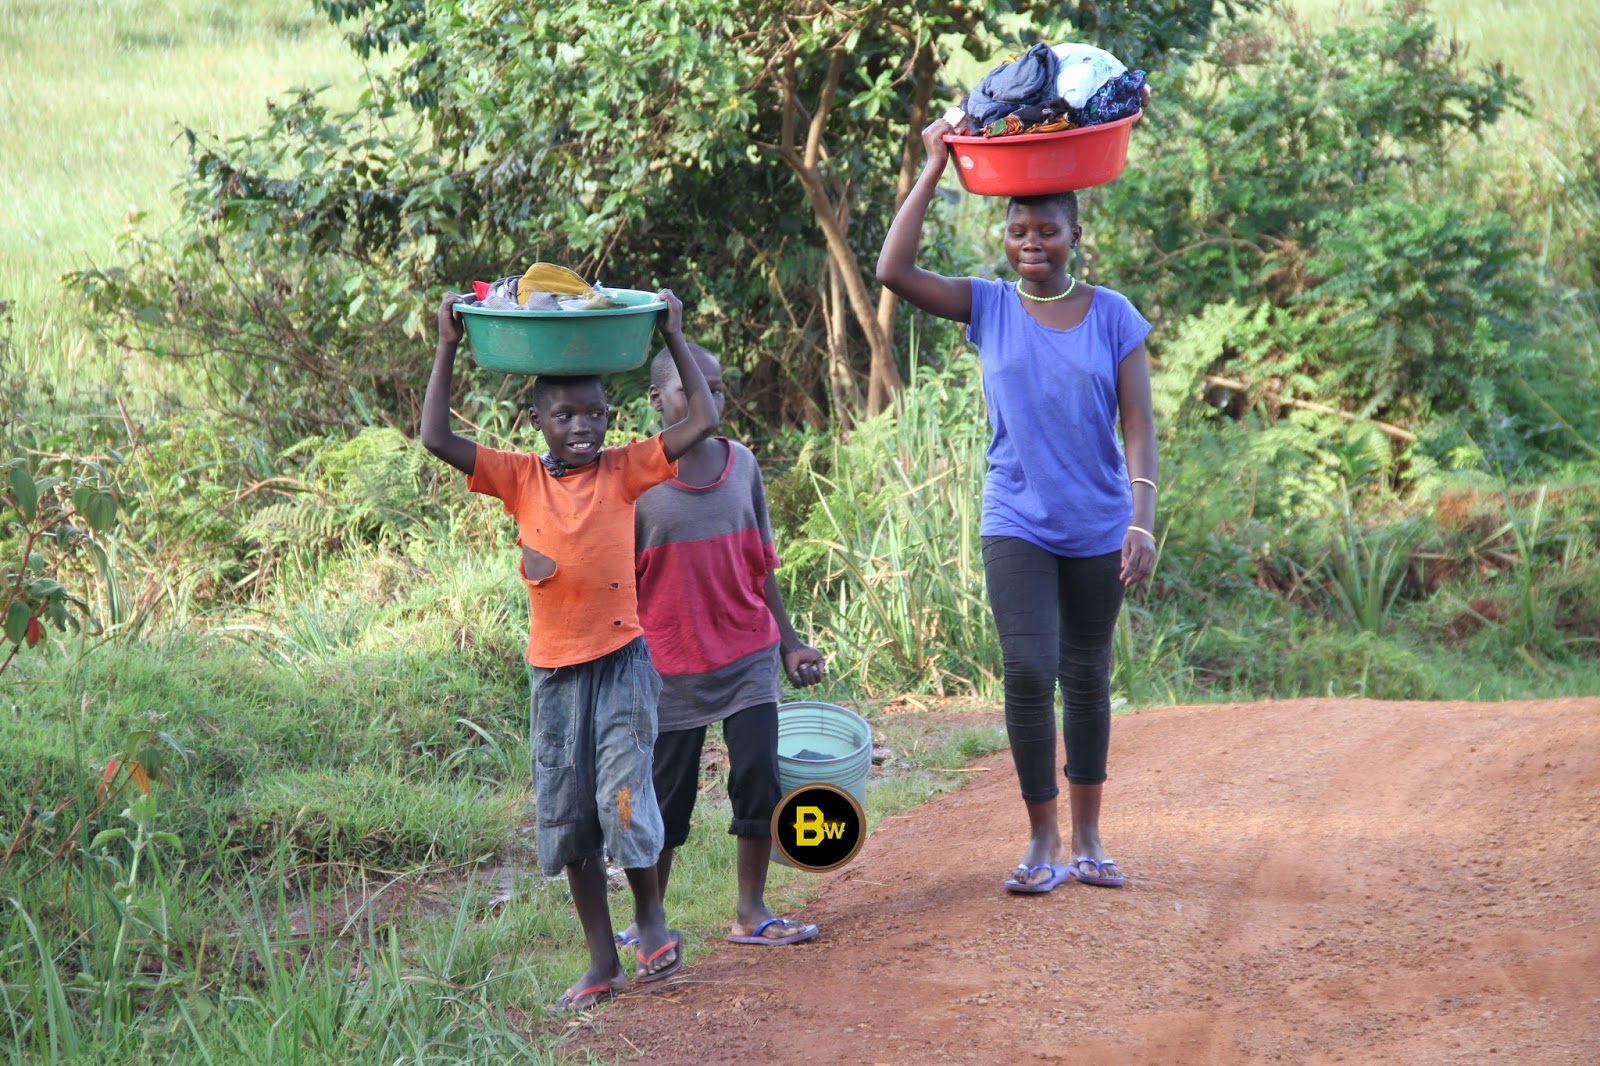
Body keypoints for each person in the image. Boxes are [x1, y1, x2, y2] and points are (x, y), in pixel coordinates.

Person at [875, 117, 1158, 894]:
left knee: (1087, 673)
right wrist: (934, 166)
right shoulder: (988, 305)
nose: (1030, 242)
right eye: (1018, 229)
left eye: (1047, 230)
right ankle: (1043, 840)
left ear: (1075, 236)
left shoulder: (1113, 316)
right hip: (1017, 520)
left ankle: (1091, 837)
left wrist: (1143, 518)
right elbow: (893, 269)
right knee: (1029, 670)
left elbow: (1138, 425)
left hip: (1099, 523)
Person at [421, 288, 719, 1009]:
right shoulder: (518, 477)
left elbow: (703, 419)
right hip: (554, 675)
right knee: (568, 811)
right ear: (536, 423)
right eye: (566, 416)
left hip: (621, 665)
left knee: (622, 796)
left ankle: (649, 917)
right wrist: (447, 344)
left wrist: (675, 334)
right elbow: (435, 437)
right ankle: (599, 960)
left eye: (595, 415)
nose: (582, 427)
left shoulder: (626, 469)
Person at [615, 342, 827, 950]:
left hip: (747, 656)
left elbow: (761, 563)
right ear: (656, 399)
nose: (711, 397)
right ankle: (647, 920)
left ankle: (750, 911)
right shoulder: (633, 482)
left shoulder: (744, 465)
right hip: (669, 669)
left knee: (758, 776)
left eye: (719, 386)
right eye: (691, 386)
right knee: (666, 802)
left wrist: (788, 643)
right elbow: (619, 583)